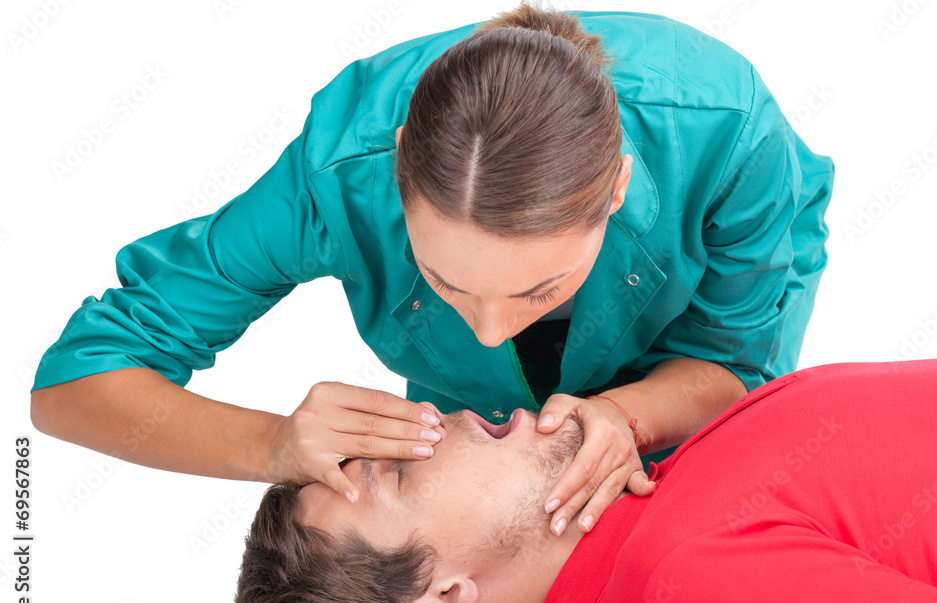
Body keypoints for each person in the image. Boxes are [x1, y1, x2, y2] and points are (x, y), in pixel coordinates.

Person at [29, 2, 835, 539]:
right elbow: (75, 384)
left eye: (539, 289)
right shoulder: (337, 171)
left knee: (682, 527)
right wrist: (271, 443)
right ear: (396, 176)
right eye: (447, 282)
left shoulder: (725, 128)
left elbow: (730, 364)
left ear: (619, 188)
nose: (489, 328)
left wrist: (626, 416)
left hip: (696, 353)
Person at [231, 354, 937, 603]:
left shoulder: (653, 518)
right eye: (397, 474)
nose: (431, 423)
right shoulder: (683, 595)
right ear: (441, 600)